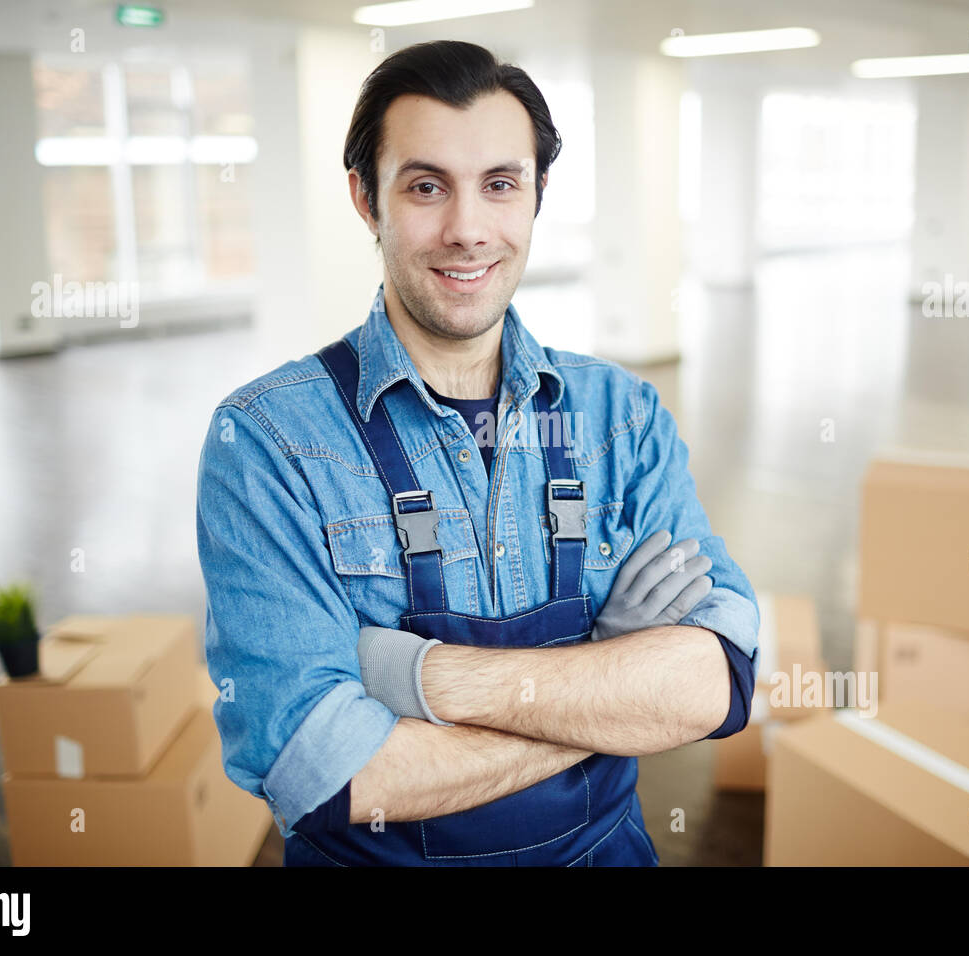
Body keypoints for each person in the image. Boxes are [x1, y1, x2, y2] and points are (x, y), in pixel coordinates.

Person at [196, 39, 760, 867]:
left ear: (535, 197)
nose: (467, 230)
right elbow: (325, 772)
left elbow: (722, 674)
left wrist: (421, 678)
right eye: (426, 187)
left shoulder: (620, 416)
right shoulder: (269, 442)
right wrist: (607, 680)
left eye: (500, 184)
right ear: (366, 199)